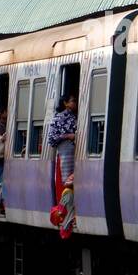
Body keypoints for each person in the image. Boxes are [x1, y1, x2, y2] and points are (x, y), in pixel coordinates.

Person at [47, 93, 78, 238]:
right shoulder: (60, 118)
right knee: (68, 184)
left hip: (72, 153)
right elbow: (52, 139)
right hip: (66, 154)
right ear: (65, 103)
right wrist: (68, 136)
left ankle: (64, 213)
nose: (75, 103)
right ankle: (64, 213)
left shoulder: (73, 117)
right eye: (73, 101)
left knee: (70, 184)